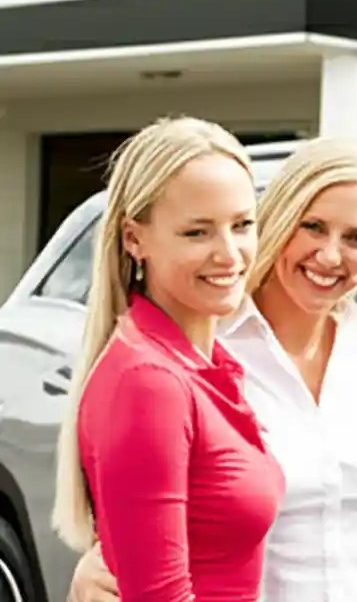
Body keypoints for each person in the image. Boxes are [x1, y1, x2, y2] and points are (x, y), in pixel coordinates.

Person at [68, 136, 357, 601]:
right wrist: (98, 565)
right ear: (278, 221)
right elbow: (167, 527)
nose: (329, 255)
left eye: (356, 237)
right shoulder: (205, 348)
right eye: (313, 226)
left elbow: (315, 519)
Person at [51, 116, 285, 601]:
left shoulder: (209, 365)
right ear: (135, 238)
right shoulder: (150, 382)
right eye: (198, 233)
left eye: (242, 225)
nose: (230, 253)